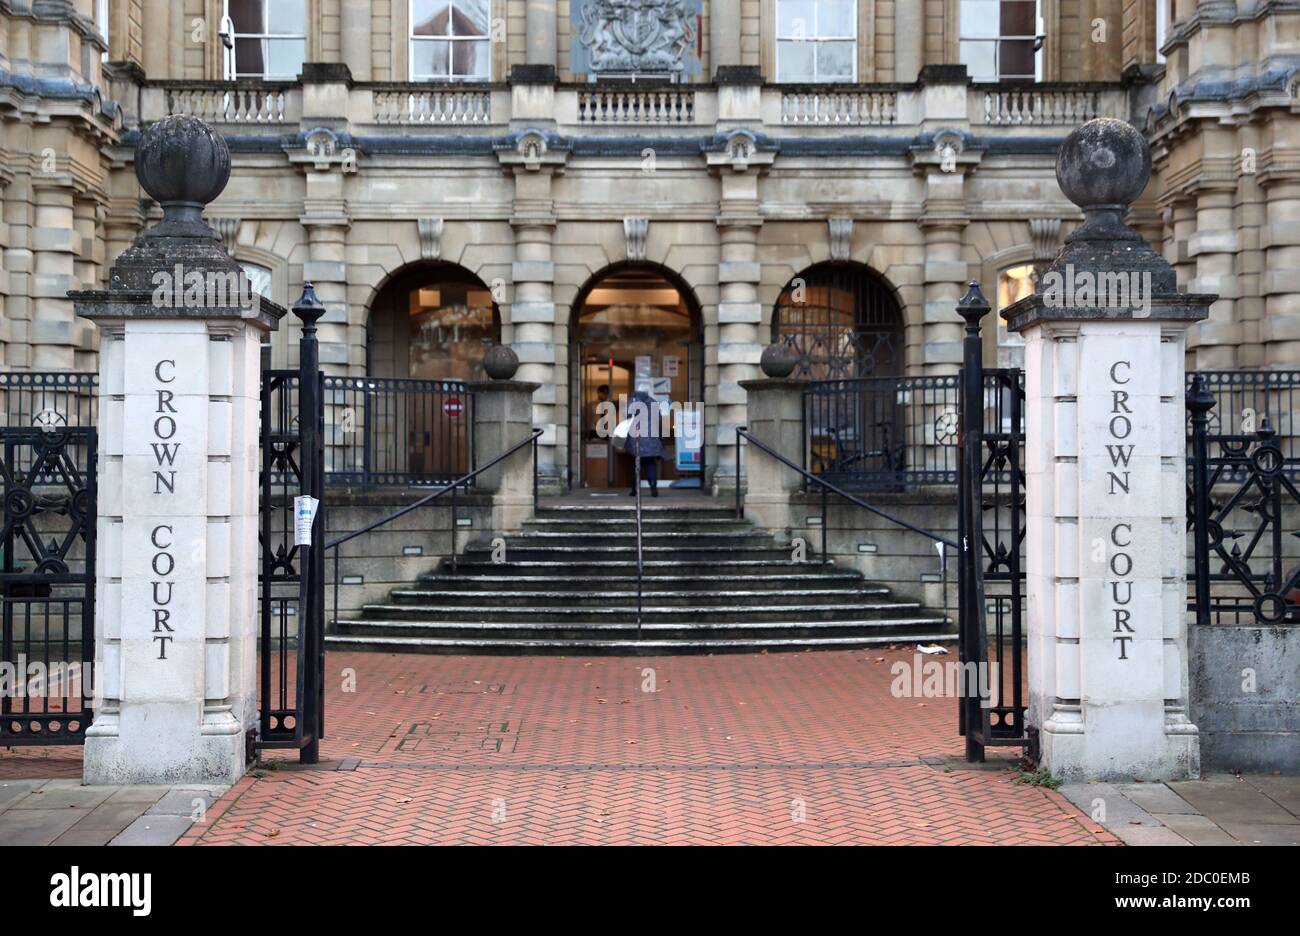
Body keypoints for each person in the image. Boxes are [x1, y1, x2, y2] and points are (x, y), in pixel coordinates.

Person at [625, 385, 663, 497]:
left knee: (635, 464)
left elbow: (628, 419)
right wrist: (660, 438)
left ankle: (635, 489)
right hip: (651, 439)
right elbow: (659, 423)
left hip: (635, 438)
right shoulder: (653, 402)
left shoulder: (632, 401)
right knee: (650, 463)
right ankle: (653, 487)